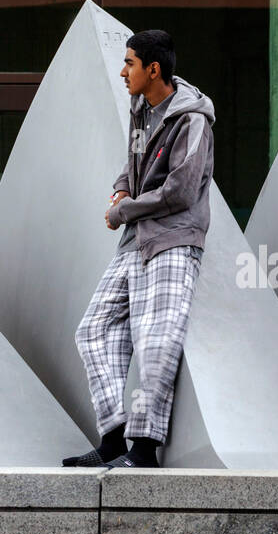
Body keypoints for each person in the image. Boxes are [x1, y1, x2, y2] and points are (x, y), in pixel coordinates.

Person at [63, 30, 214, 469]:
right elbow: (133, 162)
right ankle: (113, 438)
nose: (123, 70)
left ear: (154, 69)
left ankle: (144, 450)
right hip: (135, 239)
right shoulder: (141, 108)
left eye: (130, 63)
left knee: (156, 343)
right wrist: (122, 187)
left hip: (173, 239)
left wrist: (125, 210)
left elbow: (182, 190)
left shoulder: (192, 120)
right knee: (92, 330)